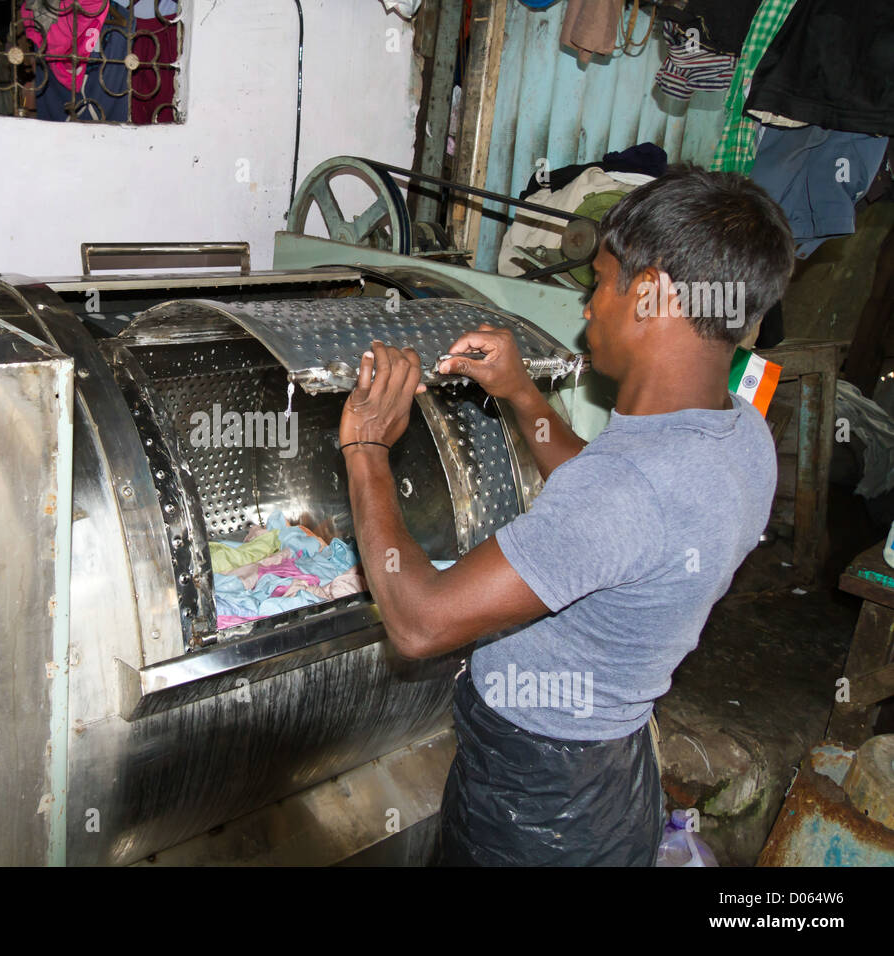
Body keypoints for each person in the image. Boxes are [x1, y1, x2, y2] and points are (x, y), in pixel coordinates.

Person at [339, 167, 795, 865]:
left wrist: (367, 447)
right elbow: (615, 515)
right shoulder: (739, 433)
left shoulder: (628, 489)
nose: (587, 309)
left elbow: (420, 621)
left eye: (599, 284)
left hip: (535, 805)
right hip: (613, 778)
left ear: (648, 295)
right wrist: (522, 394)